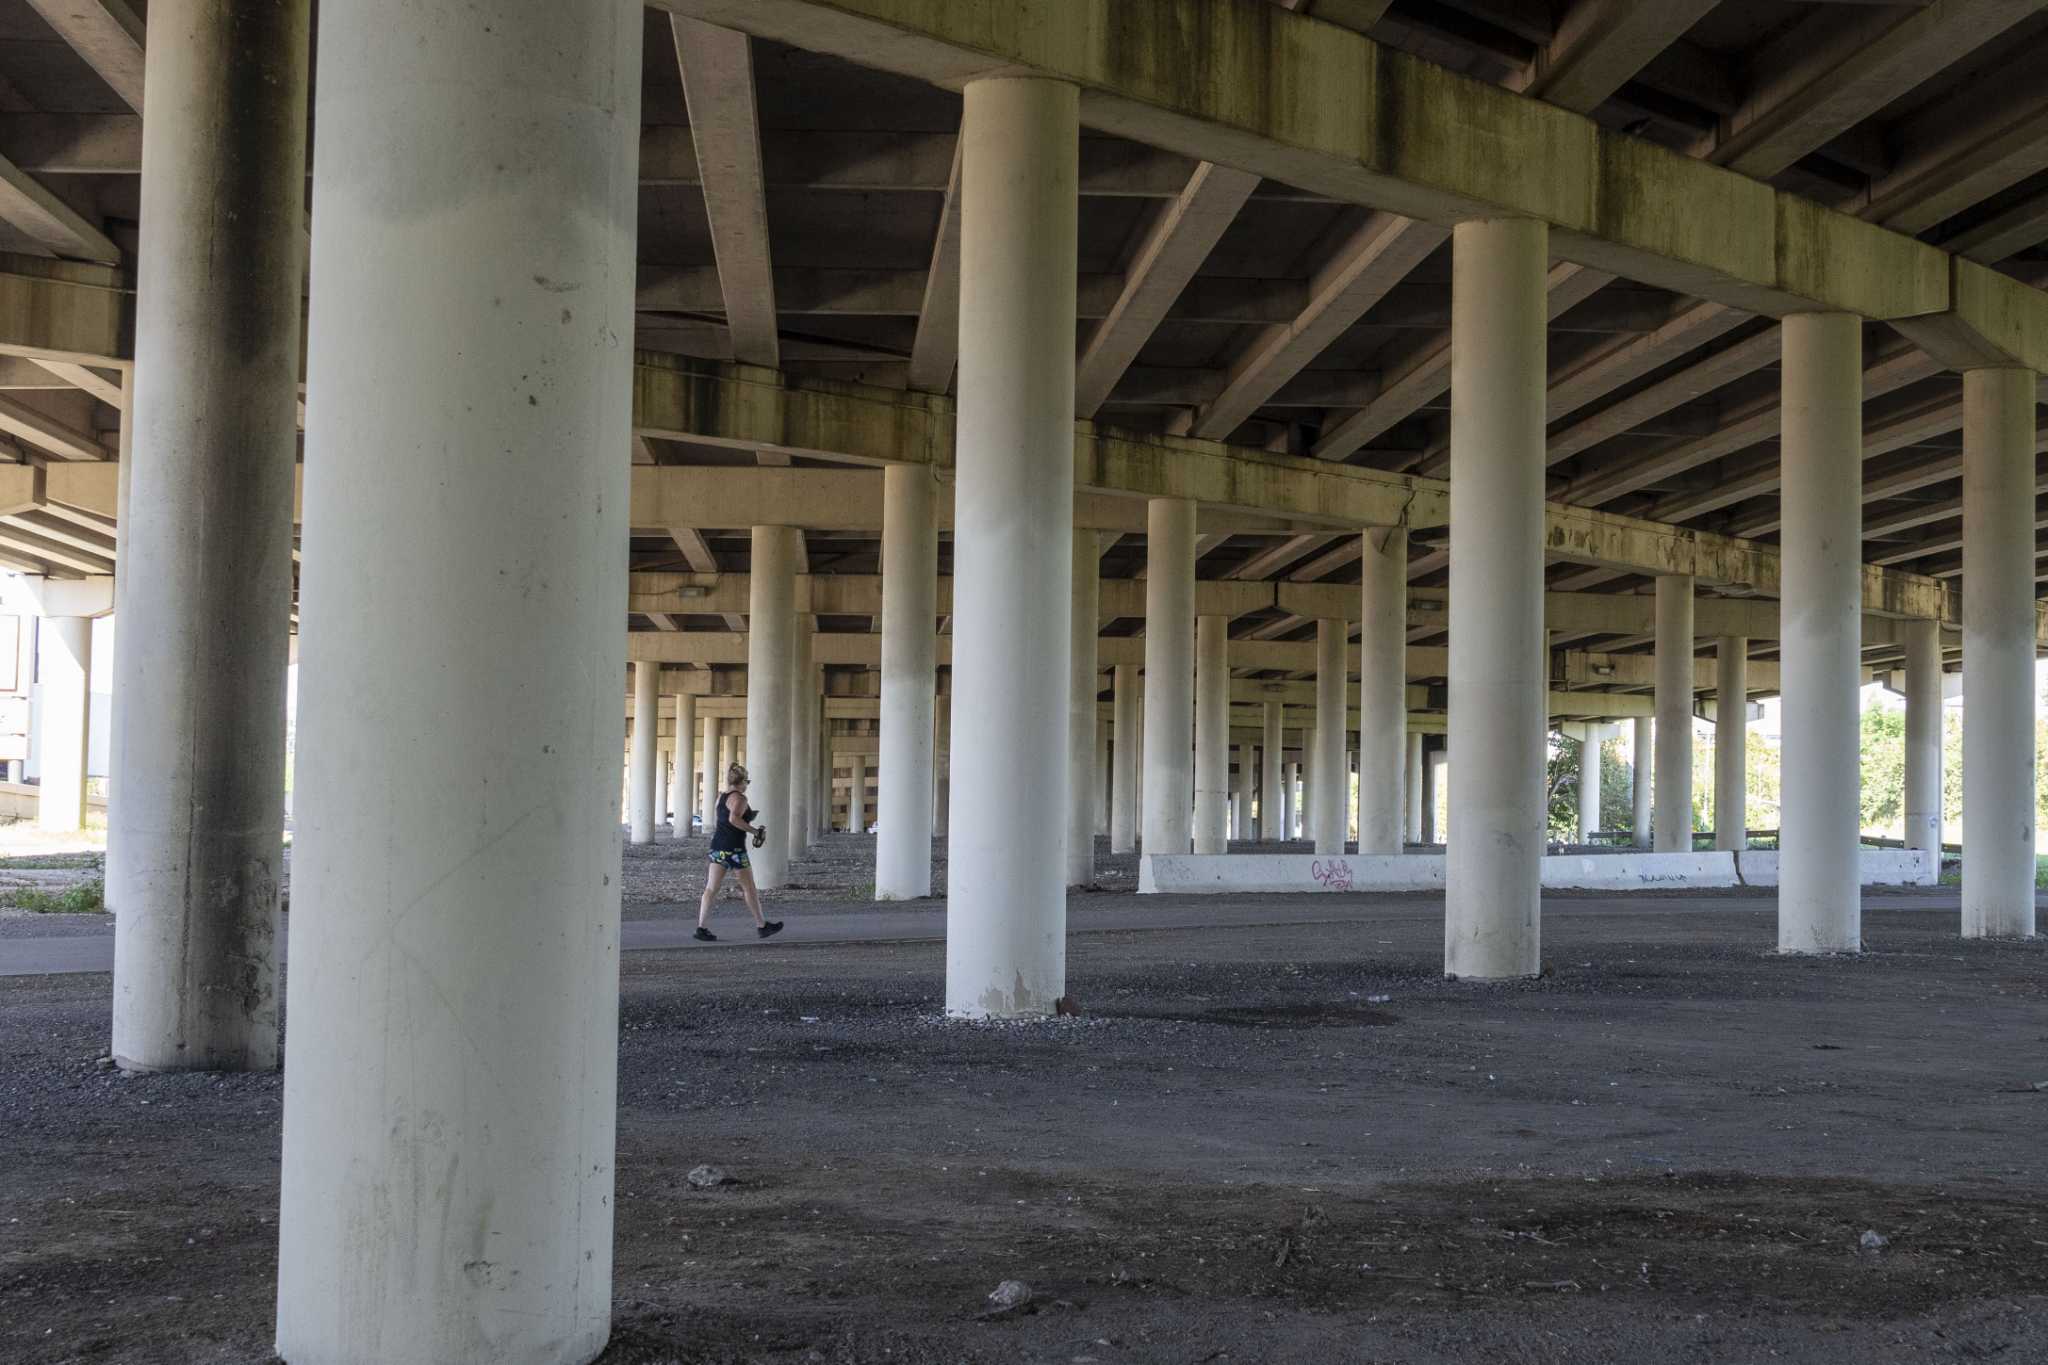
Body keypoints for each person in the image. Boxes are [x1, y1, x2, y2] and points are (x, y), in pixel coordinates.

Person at [696, 763, 783, 942]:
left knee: (711, 888)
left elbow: (723, 819)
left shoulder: (721, 797)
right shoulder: (740, 799)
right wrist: (754, 831)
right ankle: (762, 926)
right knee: (749, 888)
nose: (747, 785)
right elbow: (733, 818)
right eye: (747, 782)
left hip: (718, 847)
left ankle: (701, 928)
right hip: (735, 849)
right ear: (742, 782)